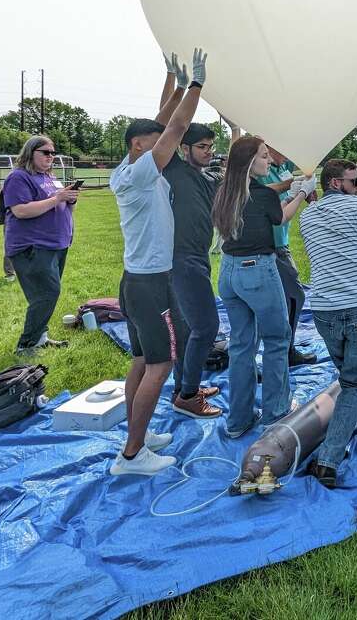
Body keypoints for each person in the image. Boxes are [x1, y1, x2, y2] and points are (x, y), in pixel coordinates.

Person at [107, 48, 207, 477]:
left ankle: (139, 435)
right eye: (155, 140)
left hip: (137, 280)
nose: (165, 141)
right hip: (150, 284)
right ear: (138, 146)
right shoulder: (143, 171)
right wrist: (199, 84)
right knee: (161, 364)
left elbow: (165, 122)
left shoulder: (126, 169)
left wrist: (176, 82)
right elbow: (178, 124)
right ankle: (131, 455)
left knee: (140, 360)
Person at [212, 135, 316, 439]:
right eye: (263, 156)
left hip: (228, 273)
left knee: (242, 345)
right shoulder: (263, 195)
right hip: (258, 270)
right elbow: (281, 217)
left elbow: (264, 207)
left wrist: (288, 193)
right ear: (249, 162)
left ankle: (239, 420)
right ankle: (276, 412)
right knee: (277, 338)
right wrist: (300, 193)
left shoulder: (225, 192)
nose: (269, 160)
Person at [299, 159, 357, 487]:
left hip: (324, 309)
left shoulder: (308, 215)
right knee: (354, 382)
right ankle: (328, 460)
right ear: (337, 183)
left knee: (351, 375)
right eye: (355, 181)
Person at [159, 80, 224, 419]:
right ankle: (187, 396)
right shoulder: (175, 170)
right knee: (206, 327)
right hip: (182, 260)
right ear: (184, 149)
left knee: (188, 328)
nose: (208, 151)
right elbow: (167, 127)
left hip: (198, 259)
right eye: (201, 146)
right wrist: (183, 86)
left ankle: (186, 384)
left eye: (211, 146)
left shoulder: (207, 178)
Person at [3, 135, 77, 358]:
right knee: (47, 293)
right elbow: (21, 211)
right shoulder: (18, 177)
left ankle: (40, 337)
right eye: (45, 152)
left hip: (56, 244)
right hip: (32, 246)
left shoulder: (49, 178)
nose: (51, 157)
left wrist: (70, 200)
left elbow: (63, 209)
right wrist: (57, 198)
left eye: (53, 153)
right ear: (30, 153)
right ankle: (26, 344)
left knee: (45, 295)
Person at [263, 145, 318, 367]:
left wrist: (304, 190)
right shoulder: (260, 170)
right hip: (270, 245)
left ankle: (284, 348)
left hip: (279, 243)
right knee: (295, 295)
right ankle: (285, 350)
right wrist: (294, 187)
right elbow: (263, 193)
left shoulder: (282, 166)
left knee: (288, 298)